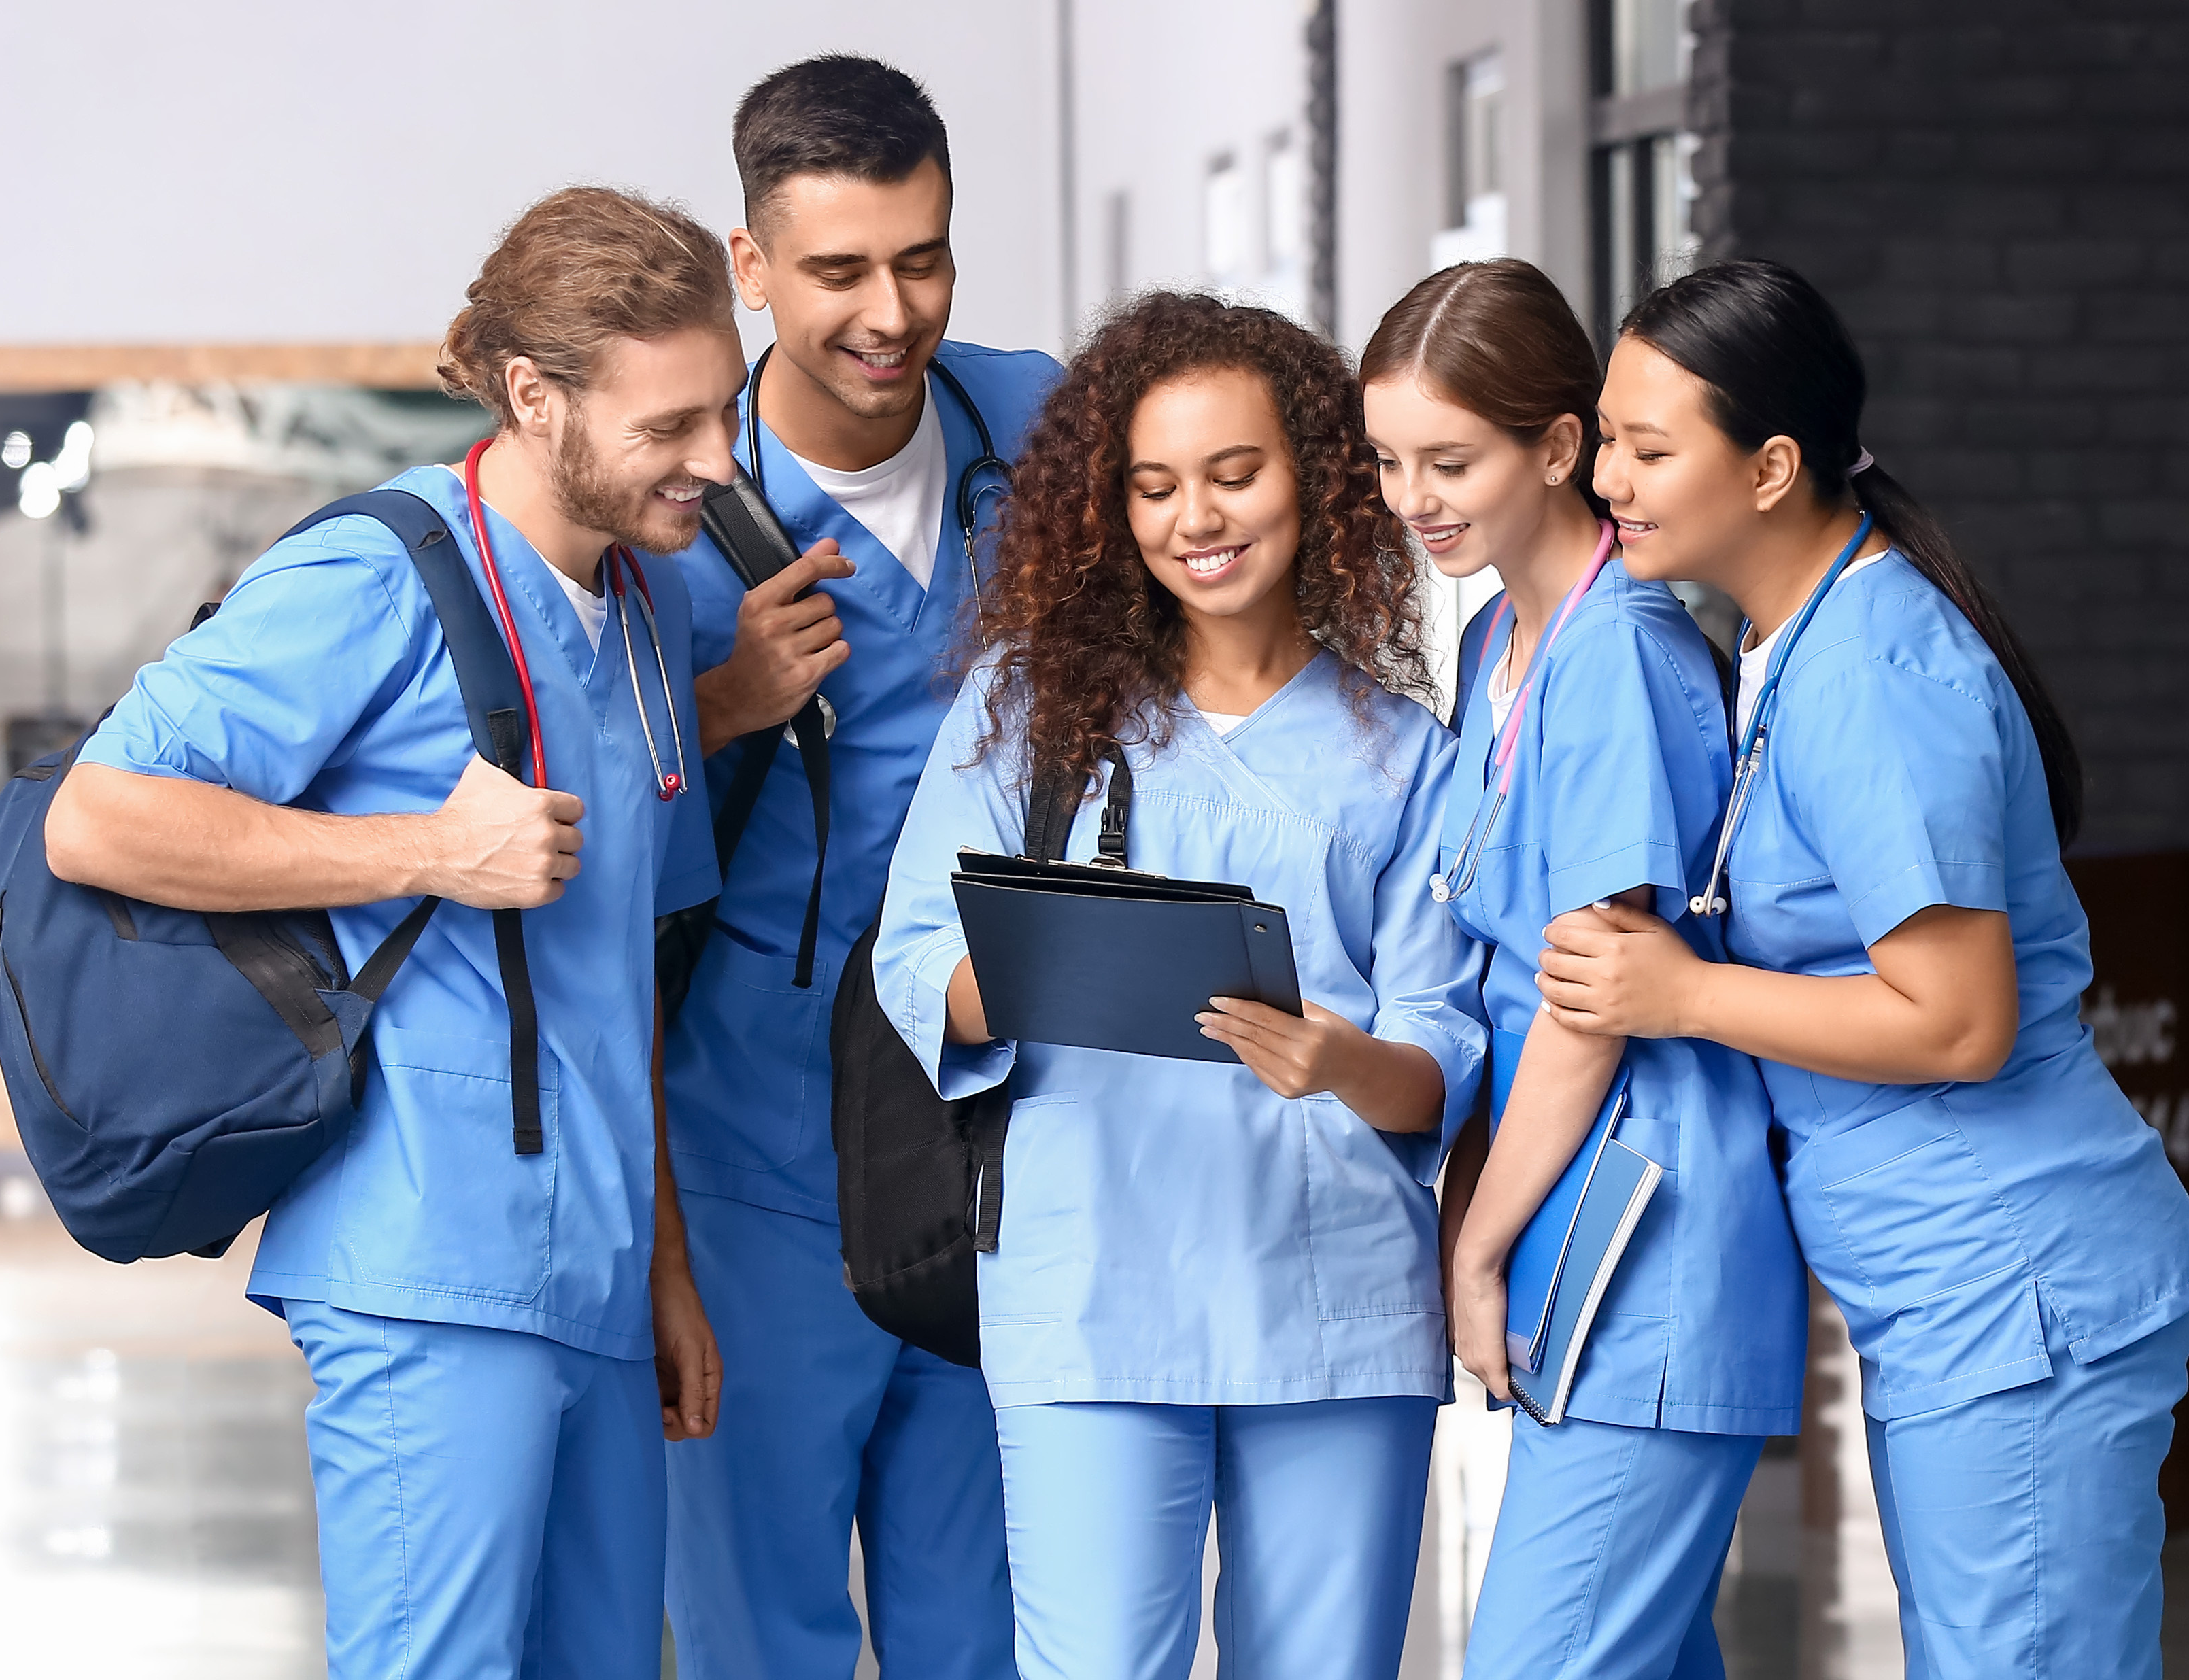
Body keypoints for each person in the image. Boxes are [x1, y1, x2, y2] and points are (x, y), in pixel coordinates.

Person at [41, 186, 738, 1679]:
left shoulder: (648, 610)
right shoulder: (372, 576)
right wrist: (428, 847)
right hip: (428, 1266)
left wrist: (666, 1271)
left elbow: (625, 981)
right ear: (535, 398)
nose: (717, 461)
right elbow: (96, 819)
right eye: (671, 425)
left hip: (602, 1275)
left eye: (723, 409)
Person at [1533, 258, 2189, 1680]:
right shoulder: (1790, 641)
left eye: (1648, 448)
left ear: (1771, 466)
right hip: (1956, 1301)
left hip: (2015, 1291)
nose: (1606, 476)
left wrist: (1679, 993)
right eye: (1606, 436)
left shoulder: (1870, 669)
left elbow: (1958, 1020)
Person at [871, 290, 1482, 1680]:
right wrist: (1034, 960)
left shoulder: (1405, 754)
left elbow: (1442, 1042)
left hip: (1328, 1297)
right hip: (1090, 1285)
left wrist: (1340, 1061)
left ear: (1315, 483)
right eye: (1153, 486)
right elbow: (912, 961)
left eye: (1232, 474)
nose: (1194, 519)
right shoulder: (1024, 710)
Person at [657, 56, 1062, 1680]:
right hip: (760, 1155)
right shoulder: (668, 515)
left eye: (923, 257)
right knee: (763, 1633)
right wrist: (721, 705)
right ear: (749, 269)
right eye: (836, 272)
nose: (889, 313)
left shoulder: (1039, 425)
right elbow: (565, 812)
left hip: (1000, 1142)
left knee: (988, 1633)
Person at [1358, 259, 1801, 1680]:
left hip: (1644, 1240)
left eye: (1449, 460)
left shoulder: (1615, 651)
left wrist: (1474, 1248)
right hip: (1567, 1214)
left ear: (1558, 448)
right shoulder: (1497, 633)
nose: (1411, 497)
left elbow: (1588, 998)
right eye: (1384, 461)